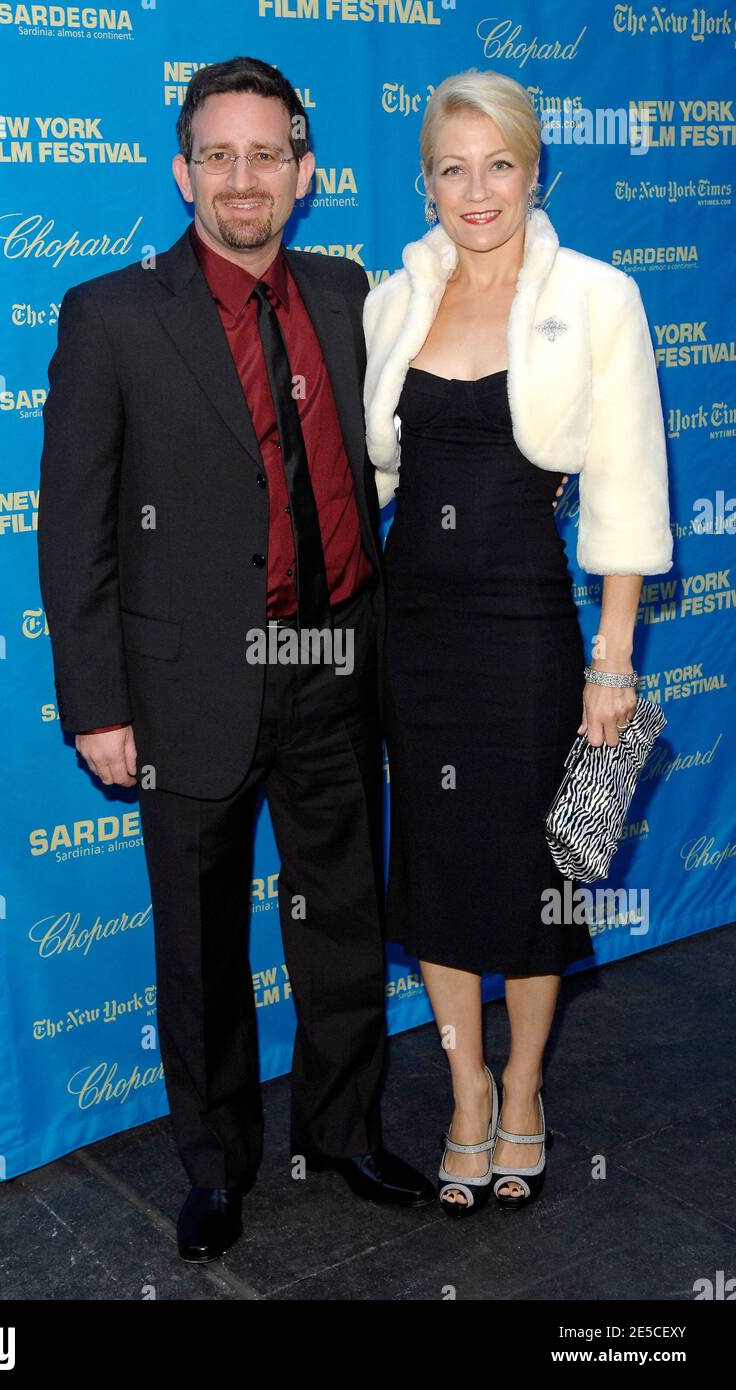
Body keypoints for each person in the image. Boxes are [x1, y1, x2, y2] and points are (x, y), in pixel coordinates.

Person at [37, 55, 435, 1264]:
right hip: (186, 686)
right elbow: (75, 531)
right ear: (182, 170)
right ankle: (214, 1169)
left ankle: (346, 1128)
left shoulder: (343, 290)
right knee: (199, 944)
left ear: (303, 171)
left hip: (334, 662)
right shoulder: (109, 316)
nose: (244, 176)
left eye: (269, 153)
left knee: (339, 916)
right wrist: (97, 705)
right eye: (220, 153)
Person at [363, 69, 672, 1216]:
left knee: (541, 874)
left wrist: (613, 658)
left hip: (529, 631)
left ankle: (527, 1089)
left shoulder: (596, 295)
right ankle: (463, 1089)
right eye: (451, 167)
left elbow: (629, 481)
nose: (475, 188)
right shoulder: (391, 306)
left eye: (497, 163)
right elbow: (366, 475)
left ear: (535, 169)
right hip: (417, 632)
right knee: (437, 872)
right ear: (425, 182)